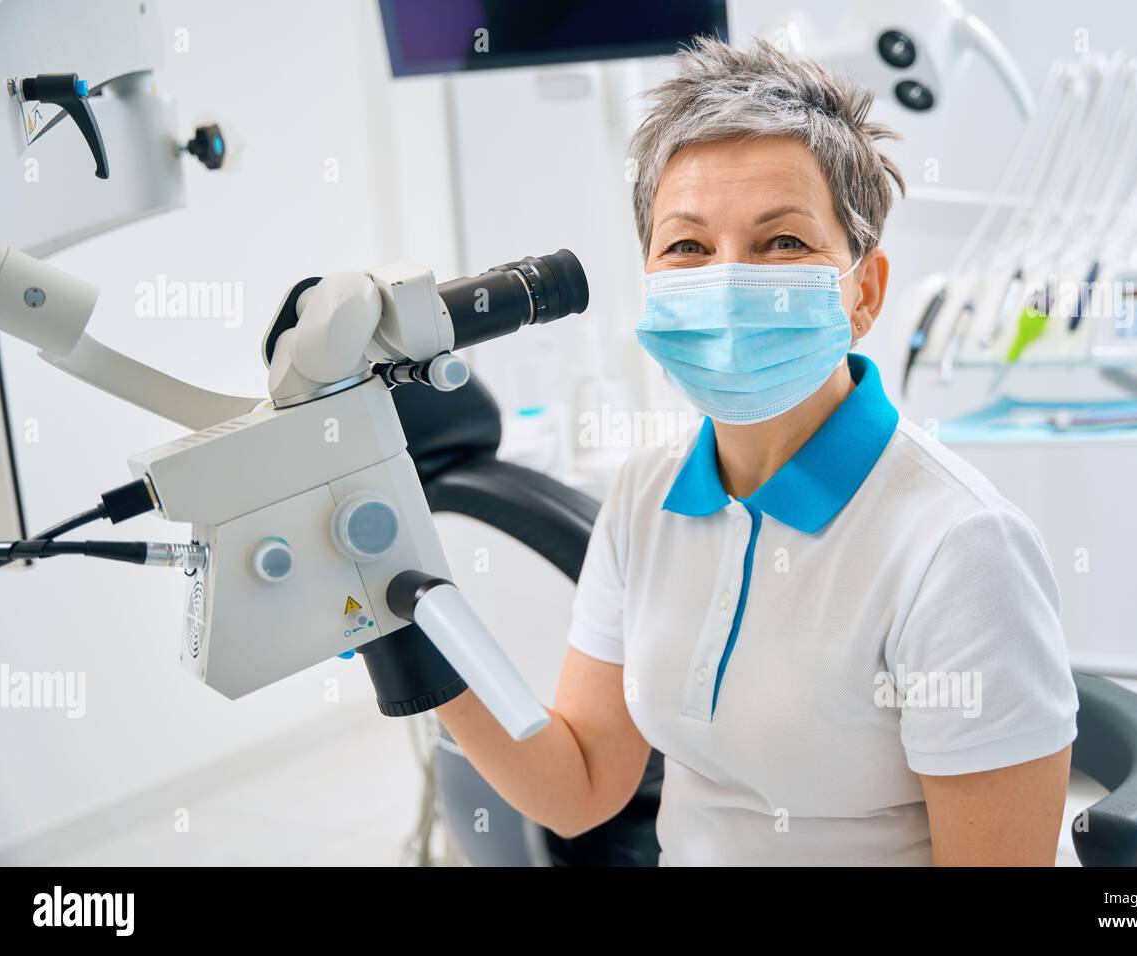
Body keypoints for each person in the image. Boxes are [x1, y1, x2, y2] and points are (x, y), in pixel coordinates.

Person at [435, 37, 1078, 866]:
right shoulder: (644, 495)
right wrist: (406, 631)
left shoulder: (961, 548)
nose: (729, 281)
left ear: (864, 292)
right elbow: (582, 787)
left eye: (782, 243)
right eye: (688, 248)